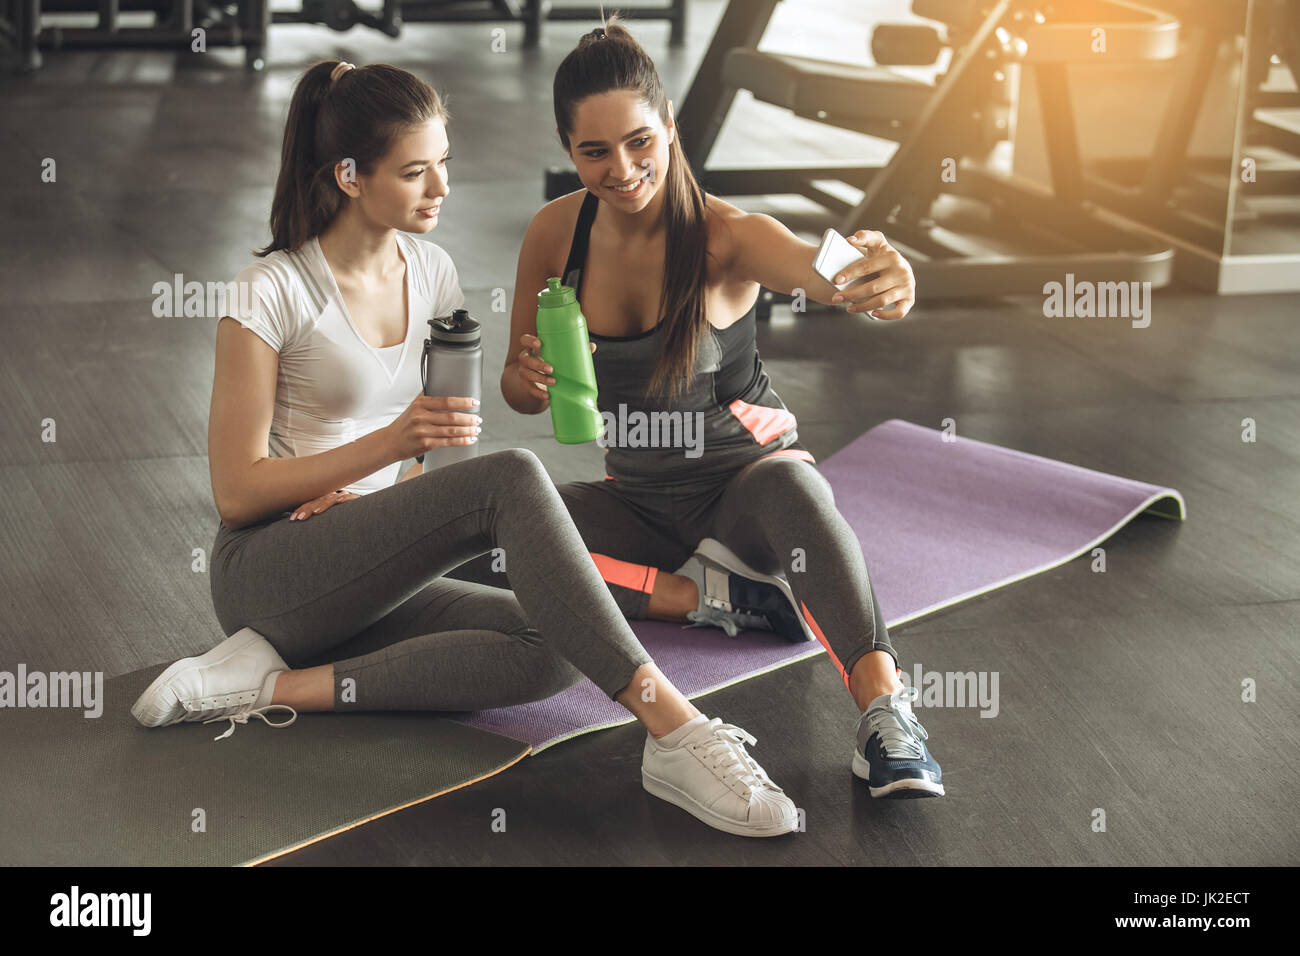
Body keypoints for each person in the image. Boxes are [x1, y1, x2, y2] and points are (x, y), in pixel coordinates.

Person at [130, 59, 806, 838]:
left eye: (444, 162)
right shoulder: (267, 291)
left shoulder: (433, 271)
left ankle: (265, 687)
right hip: (272, 565)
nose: (441, 188)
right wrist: (386, 447)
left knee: (550, 644)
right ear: (349, 176)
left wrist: (399, 486)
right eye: (415, 172)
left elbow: (442, 460)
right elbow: (238, 492)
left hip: (380, 561)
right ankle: (676, 730)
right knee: (512, 479)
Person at [496, 21, 943, 798]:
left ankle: (888, 715)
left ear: (669, 127)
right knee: (493, 538)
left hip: (746, 502)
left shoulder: (729, 238)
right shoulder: (552, 235)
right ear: (570, 150)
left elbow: (824, 269)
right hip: (639, 502)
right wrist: (527, 378)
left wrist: (884, 276)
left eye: (640, 141)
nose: (623, 168)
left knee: (794, 486)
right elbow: (512, 380)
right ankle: (707, 599)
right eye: (594, 152)